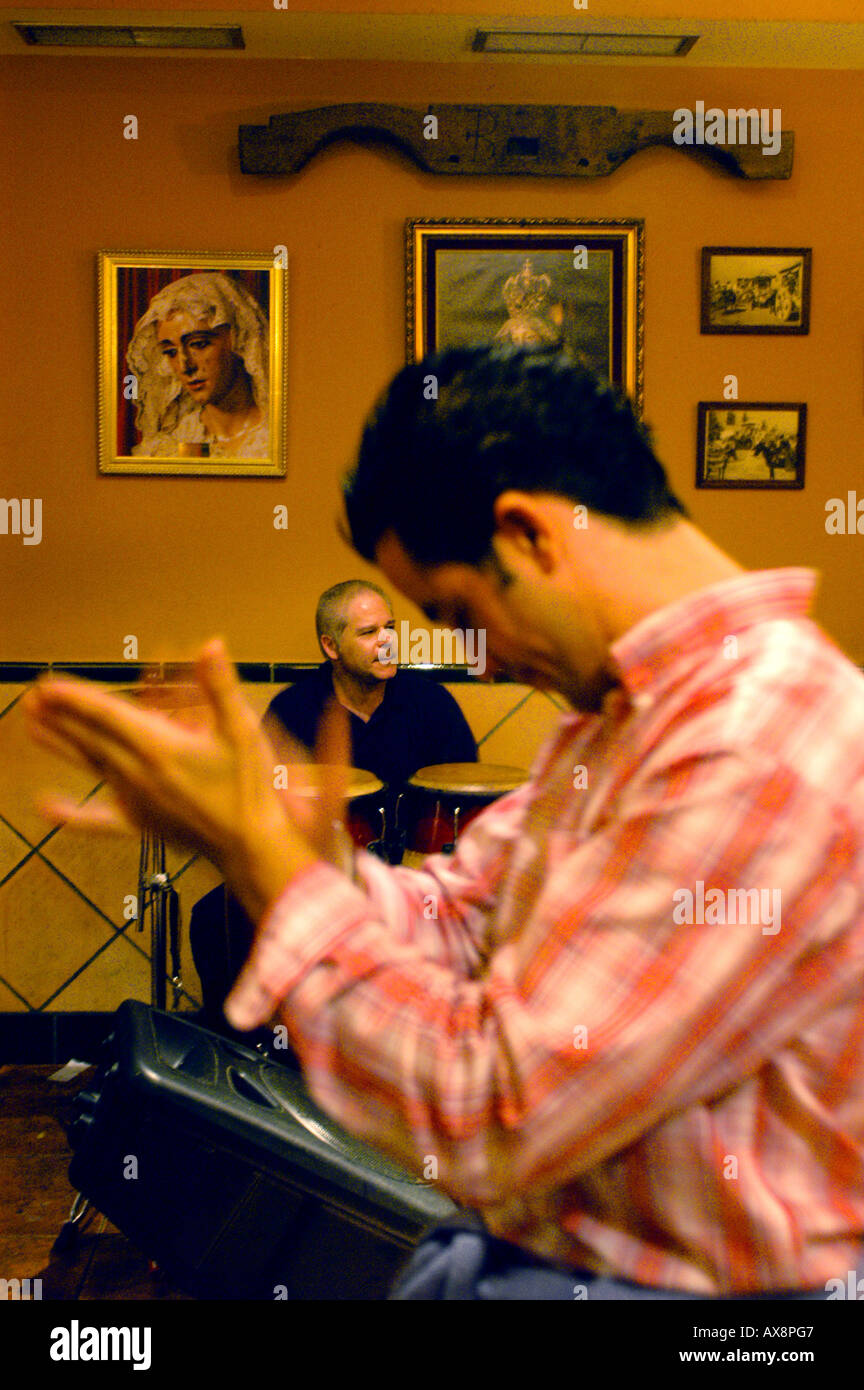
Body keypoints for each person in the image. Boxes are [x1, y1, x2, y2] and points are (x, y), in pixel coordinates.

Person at [25, 347, 864, 1301]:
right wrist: (255, 830)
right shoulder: (622, 720)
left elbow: (497, 1110)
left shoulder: (756, 741)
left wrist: (266, 857)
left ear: (529, 535)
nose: (485, 666)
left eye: (458, 613)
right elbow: (457, 919)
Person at [189, 578, 477, 1037]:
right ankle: (246, 1064)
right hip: (316, 871)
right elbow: (263, 805)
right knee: (211, 918)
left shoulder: (431, 704)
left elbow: (462, 799)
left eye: (390, 627)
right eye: (368, 632)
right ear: (331, 645)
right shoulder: (295, 709)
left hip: (413, 876)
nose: (386, 641)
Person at [126, 271, 269, 458]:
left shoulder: (276, 439)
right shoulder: (168, 446)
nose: (185, 366)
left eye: (199, 344)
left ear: (239, 341)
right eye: (171, 352)